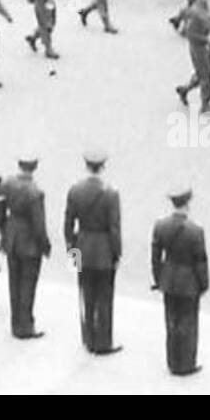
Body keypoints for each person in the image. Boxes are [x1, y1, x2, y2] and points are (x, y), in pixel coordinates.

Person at [64, 150, 122, 356]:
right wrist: (117, 253)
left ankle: (88, 337)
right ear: (103, 167)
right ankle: (103, 341)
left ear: (86, 166)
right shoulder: (111, 193)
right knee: (104, 297)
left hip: (82, 246)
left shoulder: (75, 190)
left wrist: (72, 251)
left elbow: (68, 225)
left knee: (85, 293)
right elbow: (114, 228)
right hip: (104, 248)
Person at [150, 184, 209, 377]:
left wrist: (158, 279)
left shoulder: (160, 225)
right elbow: (200, 261)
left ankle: (172, 361)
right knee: (188, 323)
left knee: (171, 321)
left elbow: (155, 256)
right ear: (187, 204)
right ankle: (186, 364)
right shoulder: (196, 230)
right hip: (188, 282)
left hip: (169, 279)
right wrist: (204, 283)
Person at [0, 154, 52, 340]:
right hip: (29, 242)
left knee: (14, 282)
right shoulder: (35, 192)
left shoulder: (7, 183)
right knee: (28, 284)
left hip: (12, 237)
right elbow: (38, 224)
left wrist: (4, 231)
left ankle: (15, 322)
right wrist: (45, 245)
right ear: (34, 167)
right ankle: (26, 324)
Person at [175, 0, 210, 115]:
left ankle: (185, 89)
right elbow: (190, 34)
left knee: (203, 73)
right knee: (206, 76)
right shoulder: (195, 13)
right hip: (198, 48)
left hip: (207, 47)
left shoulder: (203, 9)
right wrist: (206, 39)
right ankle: (205, 104)